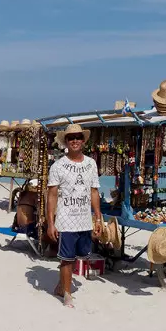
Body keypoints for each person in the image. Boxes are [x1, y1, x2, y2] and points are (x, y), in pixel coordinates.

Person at [46, 123, 102, 308]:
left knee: (80, 255)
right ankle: (67, 294)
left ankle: (61, 287)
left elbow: (94, 191)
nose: (75, 141)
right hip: (65, 219)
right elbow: (52, 195)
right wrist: (50, 223)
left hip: (84, 220)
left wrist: (98, 217)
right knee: (66, 258)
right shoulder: (58, 166)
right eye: (71, 138)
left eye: (78, 137)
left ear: (84, 140)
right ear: (66, 142)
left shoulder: (91, 163)